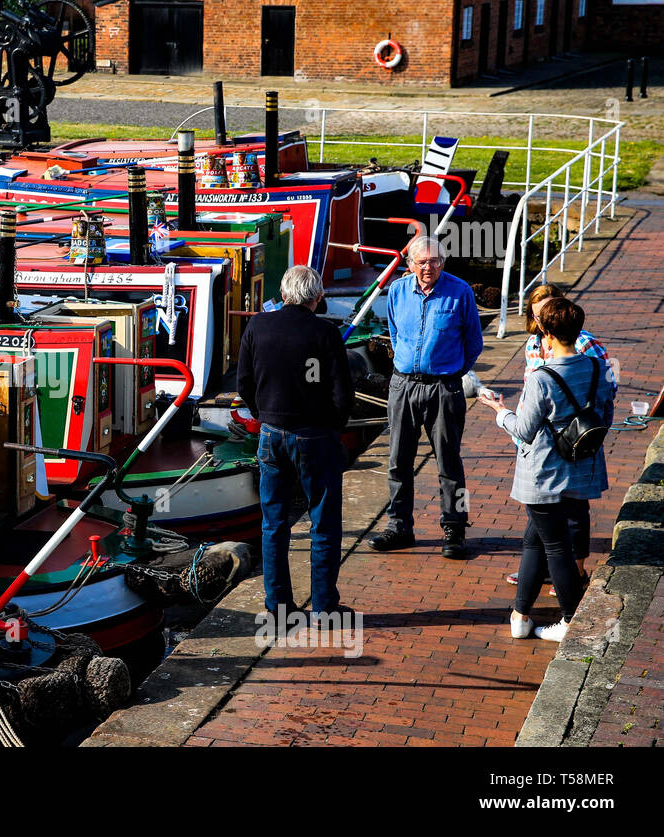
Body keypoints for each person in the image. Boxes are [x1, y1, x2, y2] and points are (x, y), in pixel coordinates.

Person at [479, 298, 612, 641]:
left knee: (555, 547)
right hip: (582, 467)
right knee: (534, 539)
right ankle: (520, 616)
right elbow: (605, 417)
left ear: (547, 333)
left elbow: (523, 430)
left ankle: (569, 622)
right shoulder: (599, 368)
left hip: (544, 474)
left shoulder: (542, 378)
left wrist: (498, 411)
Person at [238, 265, 355, 625]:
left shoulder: (258, 326)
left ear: (284, 293)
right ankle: (323, 606)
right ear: (317, 297)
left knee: (273, 523)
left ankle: (279, 607)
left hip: (271, 433)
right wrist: (331, 427)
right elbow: (342, 395)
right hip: (315, 436)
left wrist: (265, 414)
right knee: (323, 523)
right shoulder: (326, 332)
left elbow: (244, 383)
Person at [369, 236, 483, 558]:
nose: (428, 267)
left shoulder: (460, 292)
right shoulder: (398, 291)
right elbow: (394, 332)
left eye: (434, 261)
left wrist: (450, 372)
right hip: (403, 386)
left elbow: (473, 343)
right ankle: (399, 526)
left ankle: (455, 528)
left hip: (444, 388)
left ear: (442, 263)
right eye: (422, 262)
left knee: (449, 463)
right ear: (411, 265)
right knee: (397, 462)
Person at [504, 284, 617, 588]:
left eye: (548, 313)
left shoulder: (586, 345)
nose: (543, 320)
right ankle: (538, 569)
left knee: (574, 511)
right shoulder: (532, 344)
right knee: (541, 512)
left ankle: (574, 573)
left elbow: (607, 388)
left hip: (571, 440)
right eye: (538, 314)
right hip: (537, 441)